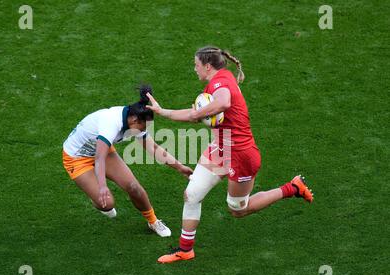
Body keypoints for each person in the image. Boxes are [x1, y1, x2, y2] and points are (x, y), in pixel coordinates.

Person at [146, 46, 314, 262]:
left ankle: (291, 188)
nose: (194, 69)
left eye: (196, 65)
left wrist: (199, 114)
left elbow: (224, 103)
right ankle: (185, 250)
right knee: (192, 194)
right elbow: (196, 113)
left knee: (238, 209)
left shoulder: (221, 83)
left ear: (207, 66)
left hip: (242, 156)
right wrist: (164, 112)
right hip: (221, 149)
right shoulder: (219, 81)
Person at [62, 85, 193, 237]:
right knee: (107, 203)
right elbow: (99, 158)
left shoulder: (135, 120)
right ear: (134, 120)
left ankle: (153, 221)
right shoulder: (111, 123)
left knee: (134, 187)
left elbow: (153, 149)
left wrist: (180, 167)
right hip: (76, 159)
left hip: (103, 150)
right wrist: (102, 186)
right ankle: (96, 199)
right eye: (143, 127)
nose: (143, 131)